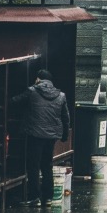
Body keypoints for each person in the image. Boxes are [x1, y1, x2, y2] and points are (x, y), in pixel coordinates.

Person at [12, 69, 70, 205]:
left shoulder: (32, 91)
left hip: (35, 134)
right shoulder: (61, 95)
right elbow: (66, 118)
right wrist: (64, 136)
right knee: (47, 165)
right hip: (51, 137)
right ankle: (48, 197)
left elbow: (15, 101)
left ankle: (35, 197)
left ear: (38, 79)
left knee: (33, 166)